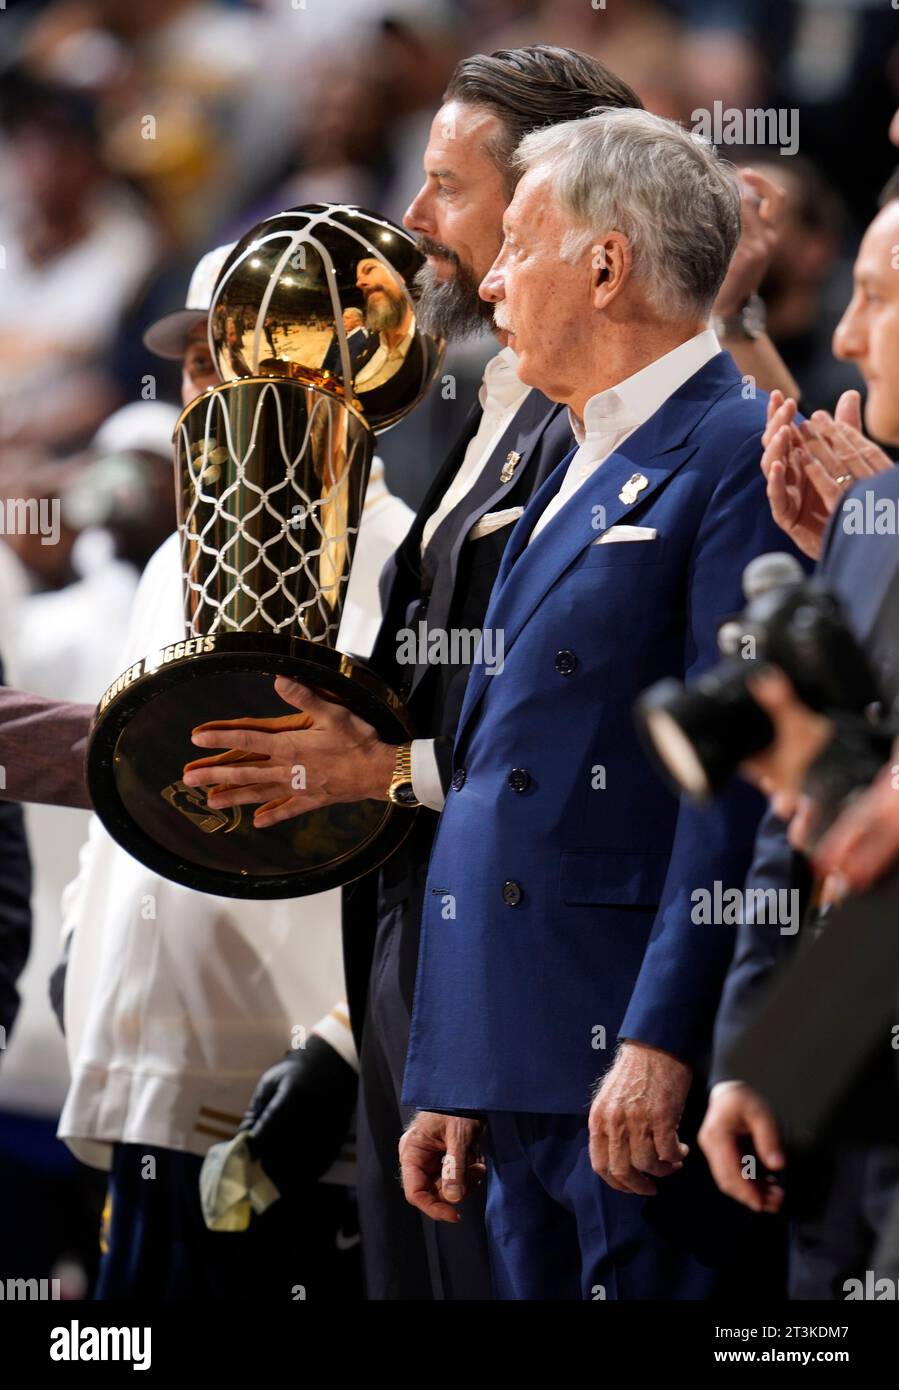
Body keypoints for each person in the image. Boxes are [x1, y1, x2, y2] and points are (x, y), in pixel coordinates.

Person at [183, 44, 801, 1301]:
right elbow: (496, 758)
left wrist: (656, 1038)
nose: (481, 270)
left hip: (618, 1059)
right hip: (505, 1052)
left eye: (511, 235)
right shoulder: (556, 449)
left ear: (605, 262)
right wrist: (456, 1065)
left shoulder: (734, 445)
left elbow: (728, 786)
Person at [52, 243, 414, 1301]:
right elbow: (128, 774)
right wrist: (84, 941)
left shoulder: (402, 559)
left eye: (248, 359)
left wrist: (342, 1053)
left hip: (285, 1103)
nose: (209, 389)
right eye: (201, 365)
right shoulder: (173, 557)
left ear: (342, 370)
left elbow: (417, 821)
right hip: (141, 1079)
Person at [699, 168, 899, 1298]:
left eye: (874, 299)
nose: (845, 336)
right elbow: (794, 839)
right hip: (827, 1092)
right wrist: (753, 1056)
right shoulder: (869, 523)